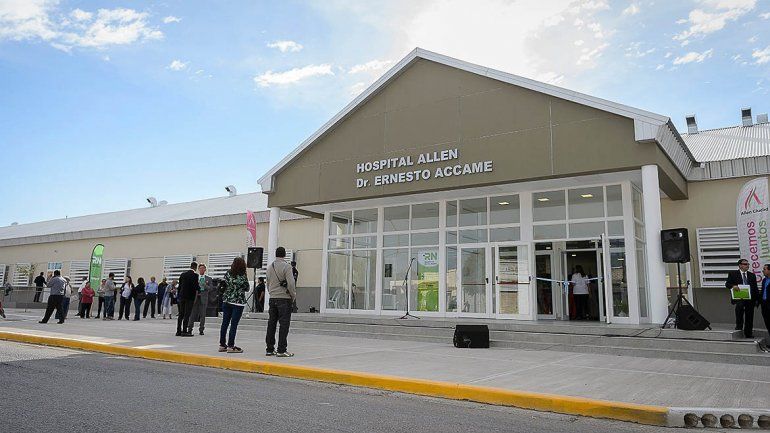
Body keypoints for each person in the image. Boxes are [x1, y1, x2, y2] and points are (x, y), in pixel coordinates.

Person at [265, 247, 297, 357]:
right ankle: (281, 349)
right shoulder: (287, 267)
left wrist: (272, 293)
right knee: (284, 325)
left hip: (272, 298)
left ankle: (269, 348)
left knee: (271, 324)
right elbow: (291, 284)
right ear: (284, 255)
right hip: (284, 299)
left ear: (276, 254)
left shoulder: (270, 267)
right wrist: (293, 296)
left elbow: (267, 284)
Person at [219, 257, 250, 353]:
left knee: (225, 323)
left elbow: (223, 284)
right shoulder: (242, 275)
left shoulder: (228, 273)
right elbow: (247, 287)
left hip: (227, 300)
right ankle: (231, 345)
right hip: (238, 302)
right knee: (234, 324)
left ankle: (222, 344)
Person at [725, 258, 760, 339]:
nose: (747, 266)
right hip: (739, 298)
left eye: (748, 264)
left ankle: (748, 333)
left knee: (749, 316)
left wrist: (757, 299)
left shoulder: (751, 275)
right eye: (745, 264)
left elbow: (755, 288)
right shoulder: (733, 274)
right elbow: (727, 284)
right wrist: (733, 286)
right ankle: (739, 329)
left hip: (750, 299)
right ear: (740, 265)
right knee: (739, 312)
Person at [188, 264, 214, 336]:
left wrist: (204, 285)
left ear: (205, 269)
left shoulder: (208, 278)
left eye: (203, 268)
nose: (202, 270)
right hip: (196, 298)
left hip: (203, 298)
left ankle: (201, 329)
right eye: (200, 268)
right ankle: (189, 329)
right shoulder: (195, 277)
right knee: (192, 314)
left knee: (202, 315)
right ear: (198, 269)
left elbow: (211, 288)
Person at [176, 262, 199, 337]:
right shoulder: (195, 275)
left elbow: (179, 286)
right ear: (195, 268)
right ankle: (185, 331)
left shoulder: (183, 274)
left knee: (181, 314)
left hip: (182, 296)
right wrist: (200, 289)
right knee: (187, 314)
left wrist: (179, 296)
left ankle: (178, 331)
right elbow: (195, 287)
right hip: (190, 297)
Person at [760, 264, 770, 339]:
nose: (763, 271)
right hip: (764, 305)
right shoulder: (764, 280)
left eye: (764, 269)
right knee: (768, 324)